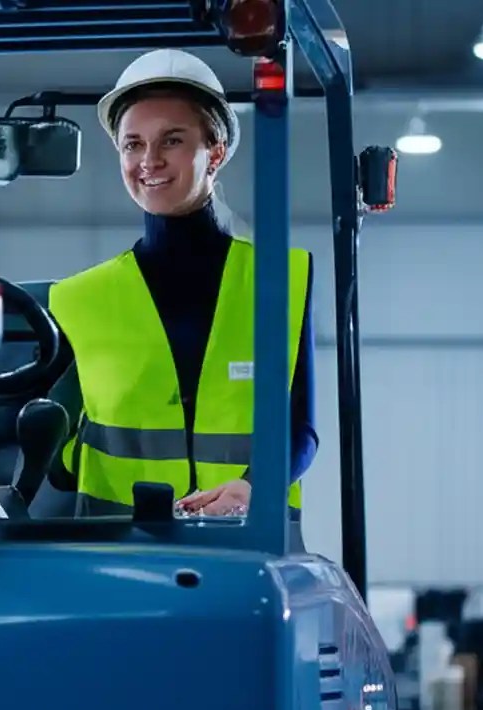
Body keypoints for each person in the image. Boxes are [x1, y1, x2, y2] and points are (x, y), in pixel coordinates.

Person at [41, 48, 318, 550]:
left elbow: (302, 426)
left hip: (249, 549)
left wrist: (254, 487)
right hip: (115, 557)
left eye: (172, 140)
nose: (148, 161)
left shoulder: (285, 277)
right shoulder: (76, 299)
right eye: (132, 144)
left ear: (215, 151)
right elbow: (50, 448)